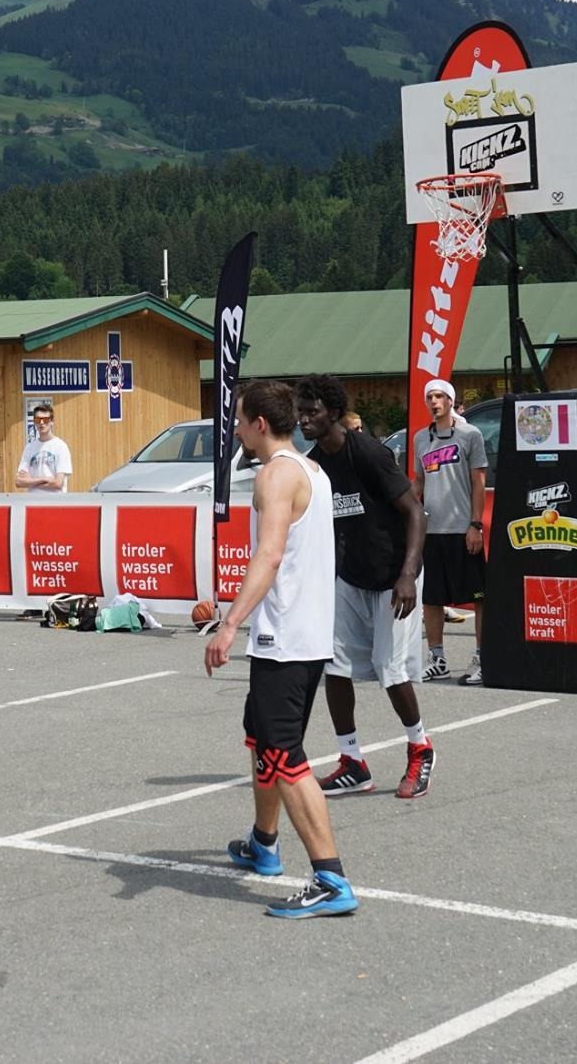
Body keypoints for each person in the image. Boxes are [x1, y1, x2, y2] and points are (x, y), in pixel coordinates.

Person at [205, 380, 358, 918]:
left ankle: (330, 879)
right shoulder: (310, 469)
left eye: (241, 420)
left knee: (283, 754)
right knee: (261, 736)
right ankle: (264, 843)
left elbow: (267, 559)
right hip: (305, 635)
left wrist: (229, 624)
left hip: (286, 637)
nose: (238, 430)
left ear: (259, 426)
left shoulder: (276, 475)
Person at [293, 375, 433, 802]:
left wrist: (407, 575)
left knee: (390, 670)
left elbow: (416, 513)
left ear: (333, 412)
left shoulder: (368, 452)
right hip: (351, 577)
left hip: (394, 576)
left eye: (311, 411)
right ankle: (352, 761)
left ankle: (420, 747)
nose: (304, 419)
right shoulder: (314, 464)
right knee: (333, 665)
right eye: (300, 412)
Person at [412, 379, 487, 683]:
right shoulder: (420, 438)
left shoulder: (470, 434)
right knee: (431, 598)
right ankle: (437, 658)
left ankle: (483, 656)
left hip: (462, 529)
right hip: (432, 531)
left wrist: (476, 524)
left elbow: (479, 482)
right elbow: (419, 481)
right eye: (429, 396)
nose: (434, 401)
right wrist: (402, 503)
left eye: (440, 396)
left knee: (479, 596)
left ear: (451, 401)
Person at [16, 403, 71, 493]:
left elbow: (58, 483)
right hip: (33, 503)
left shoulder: (61, 447)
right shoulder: (29, 448)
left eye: (45, 420)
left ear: (52, 422)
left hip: (55, 503)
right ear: (34, 422)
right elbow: (19, 482)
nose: (41, 423)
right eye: (38, 419)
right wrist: (45, 479)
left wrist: (30, 481)